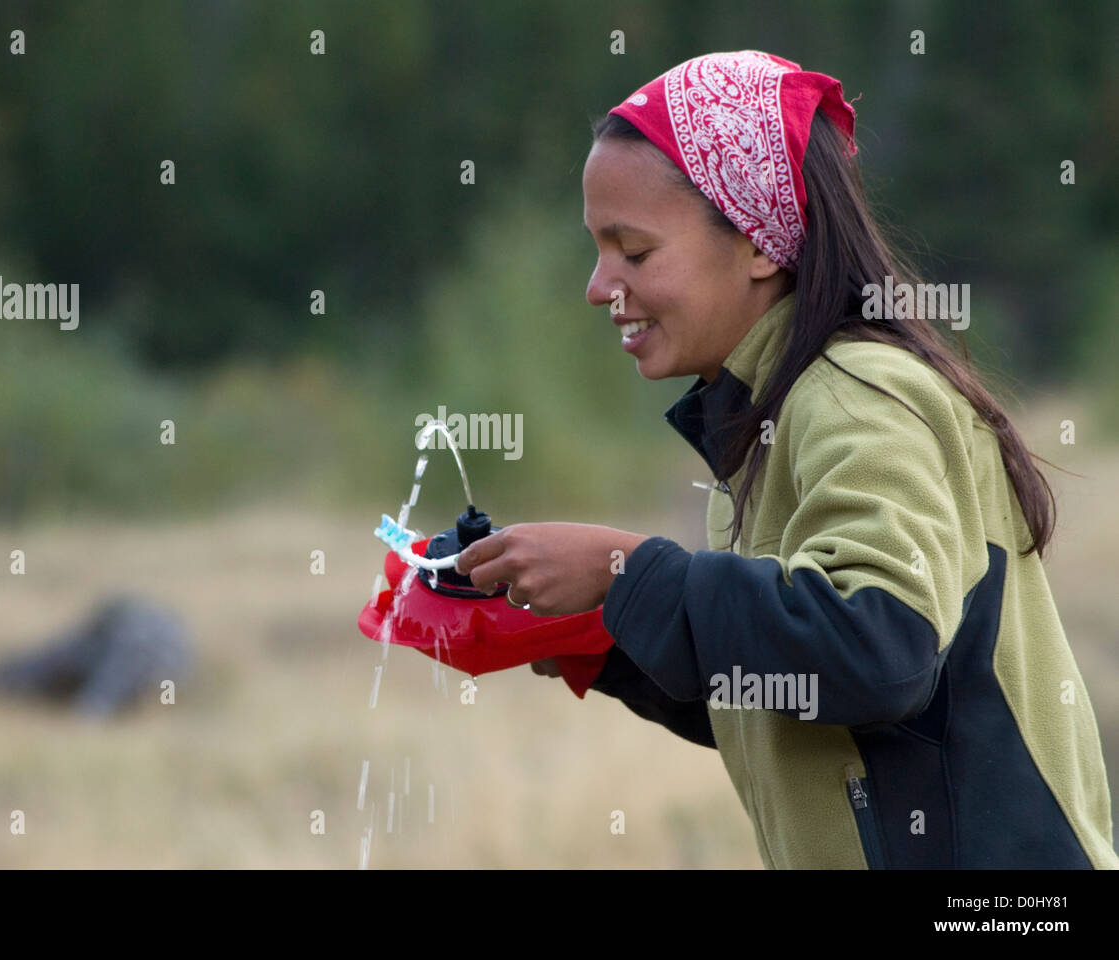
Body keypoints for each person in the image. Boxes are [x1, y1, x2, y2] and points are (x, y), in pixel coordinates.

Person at [453, 50, 1118, 869]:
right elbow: (803, 697)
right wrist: (605, 640)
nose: (598, 285)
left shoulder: (857, 392)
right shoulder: (763, 429)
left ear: (761, 245)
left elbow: (879, 650)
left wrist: (628, 572)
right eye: (597, 249)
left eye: (634, 250)